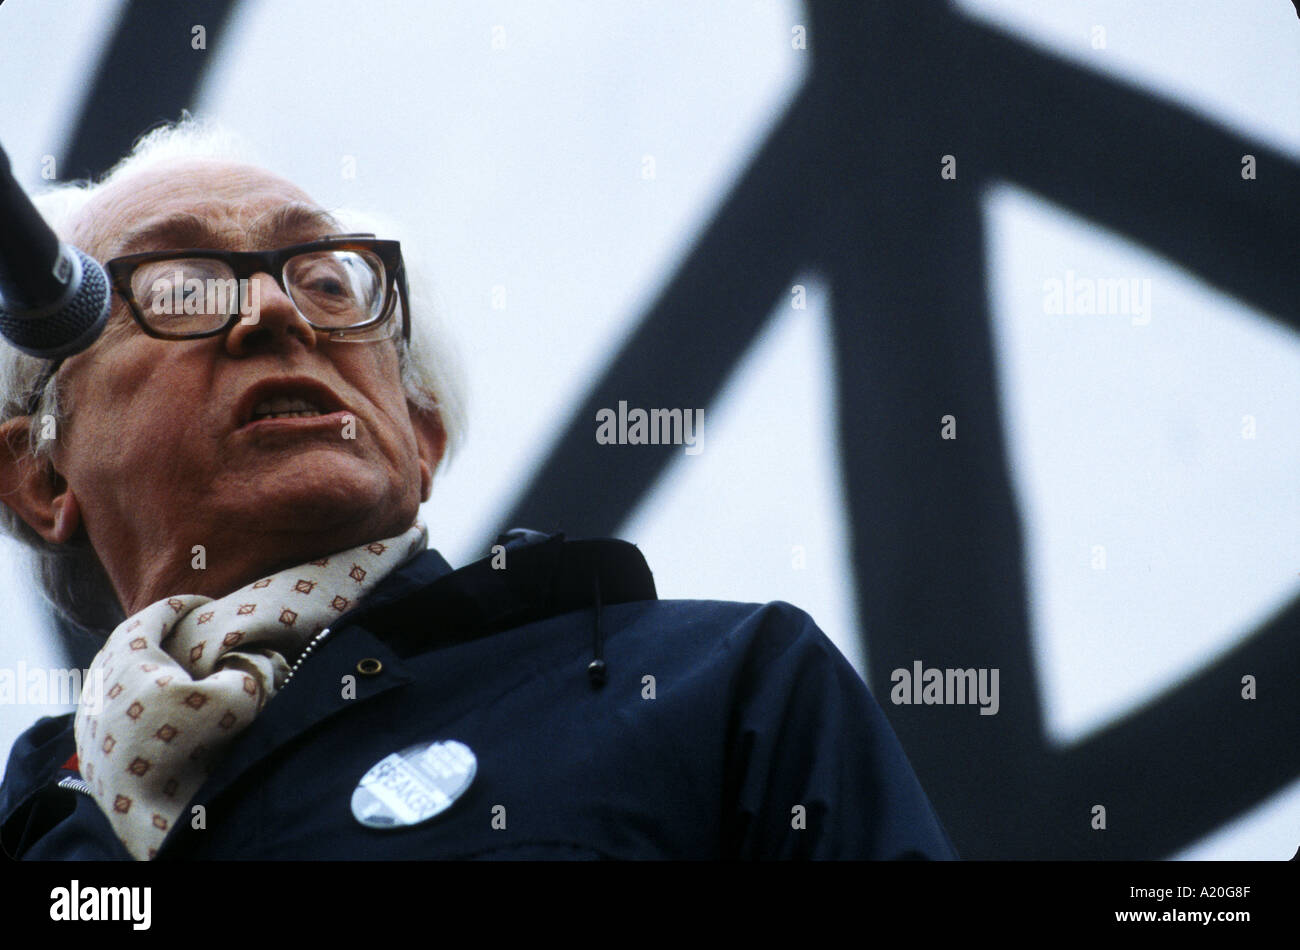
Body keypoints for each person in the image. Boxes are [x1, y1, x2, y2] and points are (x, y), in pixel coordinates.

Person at [0, 118, 957, 861]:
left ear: (419, 437)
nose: (278, 310)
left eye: (330, 282)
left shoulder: (727, 686)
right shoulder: (34, 819)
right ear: (41, 473)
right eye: (180, 286)